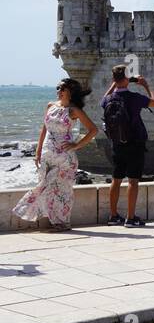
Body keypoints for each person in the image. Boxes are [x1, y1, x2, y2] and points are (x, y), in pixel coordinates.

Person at [13, 79, 99, 232]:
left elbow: (93, 130)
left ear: (70, 92)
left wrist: (76, 145)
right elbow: (44, 129)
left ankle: (63, 223)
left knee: (62, 190)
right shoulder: (50, 106)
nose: (58, 91)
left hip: (65, 158)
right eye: (58, 88)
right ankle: (56, 222)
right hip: (47, 154)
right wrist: (38, 151)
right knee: (46, 187)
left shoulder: (74, 110)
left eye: (62, 89)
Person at [102, 64, 154, 226]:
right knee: (133, 181)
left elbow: (103, 100)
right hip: (135, 143)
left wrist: (115, 85)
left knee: (116, 179)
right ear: (127, 79)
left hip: (116, 143)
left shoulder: (109, 99)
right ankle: (131, 217)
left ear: (114, 79)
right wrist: (146, 86)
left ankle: (113, 216)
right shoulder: (134, 97)